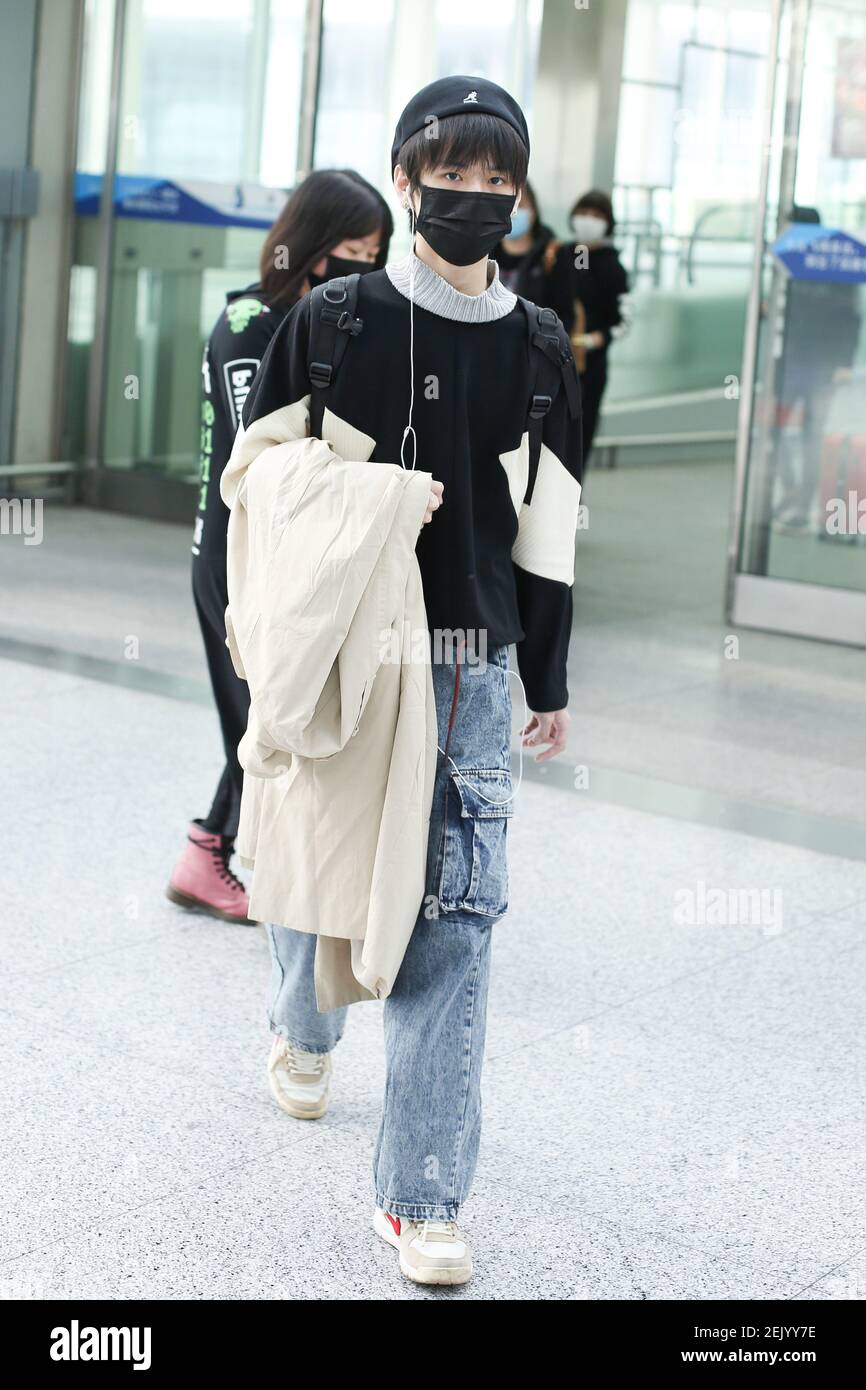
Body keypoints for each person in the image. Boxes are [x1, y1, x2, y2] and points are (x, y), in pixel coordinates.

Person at [229, 76, 583, 1284]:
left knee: (457, 925)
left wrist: (546, 675)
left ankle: (420, 1198)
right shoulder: (335, 322)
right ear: (403, 177)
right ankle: (302, 1023)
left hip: (471, 664)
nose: (473, 198)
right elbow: (254, 482)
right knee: (314, 874)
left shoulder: (538, 344)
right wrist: (372, 504)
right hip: (347, 654)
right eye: (451, 175)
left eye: (497, 180)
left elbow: (550, 524)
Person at [167, 170, 393, 924]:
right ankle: (226, 860)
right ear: (312, 242)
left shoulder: (327, 321)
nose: (364, 266)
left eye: (375, 254)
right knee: (260, 723)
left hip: (297, 557)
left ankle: (212, 853)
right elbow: (260, 458)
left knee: (271, 718)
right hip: (237, 559)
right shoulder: (249, 323)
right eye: (353, 250)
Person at [549, 189, 629, 467]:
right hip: (553, 357)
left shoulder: (612, 265)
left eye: (596, 215)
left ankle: (574, 490)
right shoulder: (559, 254)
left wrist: (597, 339)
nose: (588, 219)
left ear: (608, 222)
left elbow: (622, 320)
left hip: (590, 365)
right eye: (583, 212)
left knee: (580, 432)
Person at [492, 179, 567, 313]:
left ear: (533, 211)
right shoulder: (482, 253)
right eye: (505, 204)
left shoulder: (554, 254)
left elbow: (565, 314)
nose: (512, 211)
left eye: (519, 205)